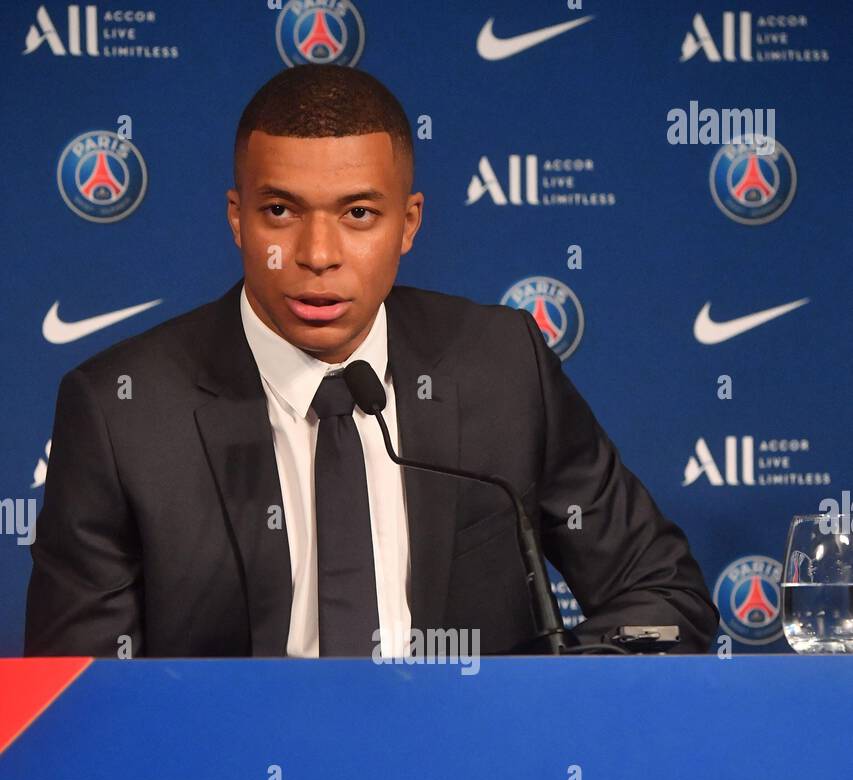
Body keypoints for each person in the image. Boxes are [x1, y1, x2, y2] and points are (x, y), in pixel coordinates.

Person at [24, 65, 719, 659]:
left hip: (466, 777)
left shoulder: (501, 368)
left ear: (408, 224)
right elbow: (81, 691)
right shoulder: (123, 410)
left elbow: (658, 595)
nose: (318, 254)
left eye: (358, 214)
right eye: (280, 210)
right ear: (237, 219)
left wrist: (533, 711)